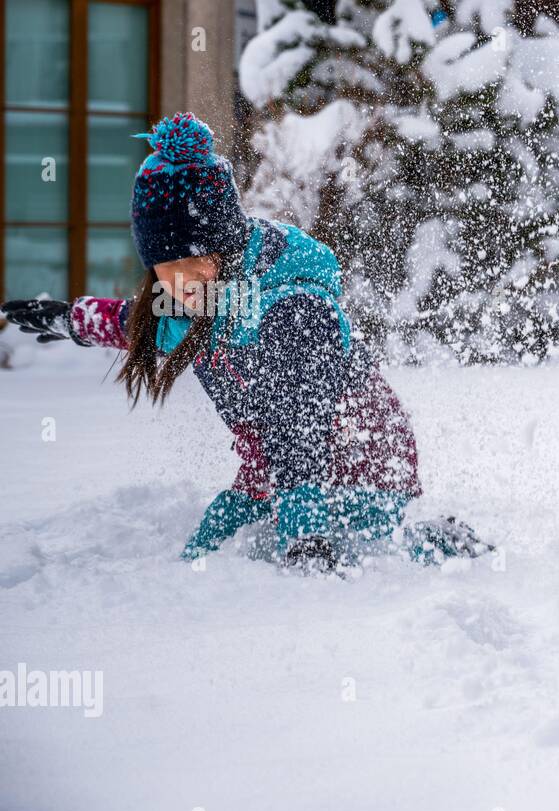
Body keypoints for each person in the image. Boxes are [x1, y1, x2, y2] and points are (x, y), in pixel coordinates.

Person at [3, 113, 486, 571]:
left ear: (226, 245)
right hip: (274, 470)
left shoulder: (292, 308)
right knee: (207, 548)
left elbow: (300, 423)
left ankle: (425, 540)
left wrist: (302, 533)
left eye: (195, 263)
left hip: (359, 462)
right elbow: (137, 323)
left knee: (354, 559)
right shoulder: (199, 301)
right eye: (166, 270)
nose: (182, 282)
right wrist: (67, 320)